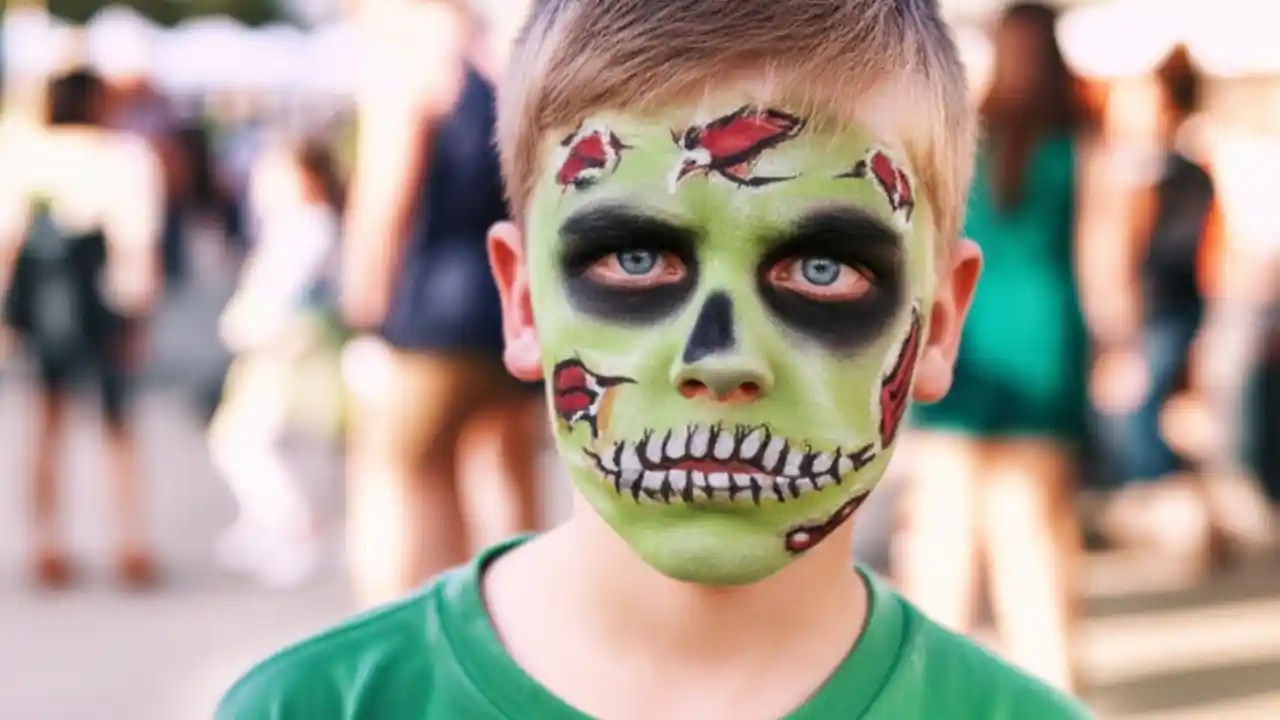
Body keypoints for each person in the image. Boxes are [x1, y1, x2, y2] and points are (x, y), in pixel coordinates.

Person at [216, 1, 1092, 717]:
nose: (721, 359)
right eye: (635, 258)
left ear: (936, 323)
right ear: (522, 302)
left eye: (822, 269)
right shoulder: (313, 709)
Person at [903, 2, 1088, 691]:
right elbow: (1100, 252)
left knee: (941, 541)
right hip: (1044, 345)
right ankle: (1051, 693)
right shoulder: (1075, 138)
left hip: (964, 341)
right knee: (1033, 545)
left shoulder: (964, 139)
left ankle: (925, 695)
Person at [341, 0, 540, 607]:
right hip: (512, 304)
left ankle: (405, 636)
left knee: (402, 470)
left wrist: (362, 314)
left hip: (432, 312)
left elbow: (385, 203)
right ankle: (519, 629)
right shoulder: (507, 71)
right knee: (504, 470)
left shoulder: (410, 74)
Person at [0, 69, 163, 588]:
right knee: (118, 427)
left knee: (47, 424)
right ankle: (129, 538)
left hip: (46, 305)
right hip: (105, 304)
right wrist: (138, 314)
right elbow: (137, 241)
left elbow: (8, 240)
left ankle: (47, 543)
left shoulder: (25, 154)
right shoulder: (124, 156)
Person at [209, 139, 345, 588]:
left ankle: (295, 527)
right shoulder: (296, 227)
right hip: (279, 352)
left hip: (291, 352)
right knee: (248, 442)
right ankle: (272, 525)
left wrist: (247, 324)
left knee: (245, 442)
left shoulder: (310, 228)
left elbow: (278, 295)